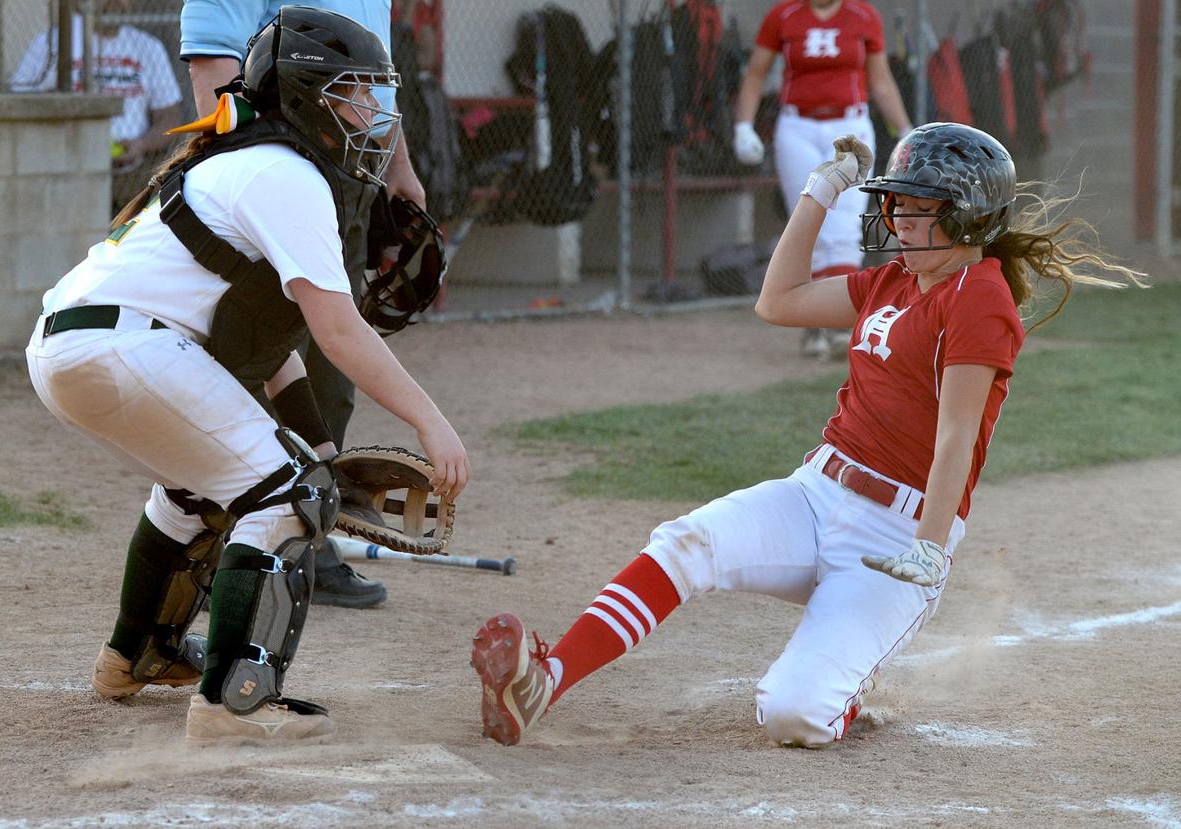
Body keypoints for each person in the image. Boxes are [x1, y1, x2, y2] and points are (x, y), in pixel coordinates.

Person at [470, 122, 1143, 748]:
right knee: (686, 543)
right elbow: (778, 301)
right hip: (816, 493)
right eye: (898, 203)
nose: (899, 219)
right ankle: (546, 680)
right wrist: (822, 192)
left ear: (971, 216)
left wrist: (930, 547)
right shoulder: (894, 280)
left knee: (794, 714)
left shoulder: (978, 296)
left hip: (897, 538)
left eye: (921, 207)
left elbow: (956, 437)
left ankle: (845, 684)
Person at [26, 7, 468, 743]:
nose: (373, 111)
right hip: (125, 348)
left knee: (203, 486)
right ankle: (236, 700)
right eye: (355, 92)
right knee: (287, 496)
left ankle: (135, 655)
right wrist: (431, 421)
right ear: (306, 96)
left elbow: (269, 347)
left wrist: (321, 448)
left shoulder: (247, 160)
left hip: (77, 346)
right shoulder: (288, 174)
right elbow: (339, 332)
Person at [178, 0, 428, 608]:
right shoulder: (271, 181)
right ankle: (212, 544)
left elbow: (370, 78)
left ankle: (306, 533)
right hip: (282, 164)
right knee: (245, 359)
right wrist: (251, 176)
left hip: (350, 162)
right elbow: (214, 61)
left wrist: (398, 167)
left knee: (329, 371)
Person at [733, 0, 912, 359]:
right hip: (797, 126)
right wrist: (743, 124)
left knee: (845, 226)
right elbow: (755, 74)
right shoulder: (784, 15)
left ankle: (842, 324)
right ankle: (813, 323)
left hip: (851, 123)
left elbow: (881, 81)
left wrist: (906, 130)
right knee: (807, 218)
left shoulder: (862, 15)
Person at [9, 0, 183, 174]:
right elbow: (19, 102)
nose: (116, 2)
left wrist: (142, 144)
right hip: (66, 170)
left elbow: (169, 117)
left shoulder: (148, 47)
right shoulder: (52, 42)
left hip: (131, 174)